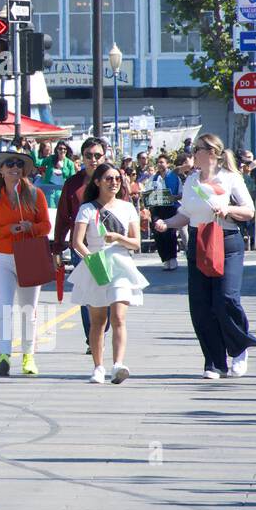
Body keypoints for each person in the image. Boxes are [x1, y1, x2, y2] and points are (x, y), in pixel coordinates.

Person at [154, 133, 256, 380]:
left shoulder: (230, 178)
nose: (192, 155)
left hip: (226, 241)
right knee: (201, 306)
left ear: (211, 152)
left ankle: (239, 347)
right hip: (199, 242)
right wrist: (165, 223)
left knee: (225, 299)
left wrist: (228, 209)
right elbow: (185, 214)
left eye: (197, 150)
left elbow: (249, 211)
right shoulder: (191, 181)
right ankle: (215, 362)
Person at [68, 162, 147, 383]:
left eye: (117, 179)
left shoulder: (127, 207)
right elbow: (77, 242)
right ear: (98, 182)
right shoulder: (87, 208)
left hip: (121, 264)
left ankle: (118, 365)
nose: (114, 183)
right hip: (96, 263)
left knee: (119, 317)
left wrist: (119, 238)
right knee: (98, 320)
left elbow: (136, 243)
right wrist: (92, 261)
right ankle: (98, 367)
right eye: (109, 179)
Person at [0, 150, 52, 377]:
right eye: (9, 164)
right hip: (3, 257)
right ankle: (3, 354)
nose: (15, 167)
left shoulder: (35, 194)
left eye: (19, 164)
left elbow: (46, 226)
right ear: (1, 171)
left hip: (29, 255)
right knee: (2, 308)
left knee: (28, 310)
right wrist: (8, 229)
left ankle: (28, 356)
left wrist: (30, 227)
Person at [53, 136, 110, 343]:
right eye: (88, 156)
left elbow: (126, 208)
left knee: (109, 295)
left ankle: (103, 329)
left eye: (97, 155)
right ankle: (93, 338)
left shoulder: (114, 178)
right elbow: (63, 216)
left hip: (109, 247)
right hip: (82, 248)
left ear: (105, 156)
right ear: (81, 158)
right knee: (88, 295)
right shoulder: (73, 183)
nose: (93, 160)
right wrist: (57, 246)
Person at [143, 153, 181, 271]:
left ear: (167, 164)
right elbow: (147, 192)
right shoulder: (153, 178)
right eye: (158, 162)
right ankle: (165, 259)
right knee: (158, 233)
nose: (160, 165)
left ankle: (172, 258)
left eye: (162, 162)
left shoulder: (175, 177)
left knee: (170, 233)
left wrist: (172, 197)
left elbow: (180, 193)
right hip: (157, 208)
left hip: (170, 207)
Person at [39, 140, 76, 209]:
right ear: (57, 150)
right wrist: (43, 174)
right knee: (50, 208)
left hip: (62, 190)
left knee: (61, 209)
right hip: (50, 189)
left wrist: (62, 168)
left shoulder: (70, 163)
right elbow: (40, 164)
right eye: (60, 148)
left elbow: (73, 179)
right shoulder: (50, 159)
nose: (62, 150)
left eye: (65, 149)